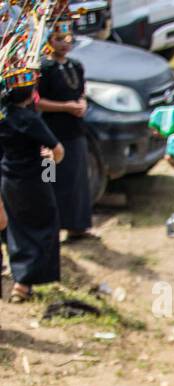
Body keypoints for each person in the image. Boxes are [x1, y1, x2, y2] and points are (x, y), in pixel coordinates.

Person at [0, 74, 64, 302]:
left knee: (17, 227)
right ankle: (27, 281)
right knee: (45, 224)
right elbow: (57, 151)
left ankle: (20, 282)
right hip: (36, 181)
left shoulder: (3, 116)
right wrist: (50, 166)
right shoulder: (30, 119)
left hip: (9, 180)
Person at [37, 19, 93, 240]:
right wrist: (65, 107)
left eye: (67, 39)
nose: (63, 44)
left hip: (75, 129)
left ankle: (78, 224)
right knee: (53, 178)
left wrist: (81, 104)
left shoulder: (75, 66)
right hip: (53, 130)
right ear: (50, 41)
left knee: (78, 178)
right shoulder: (44, 69)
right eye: (58, 39)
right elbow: (38, 101)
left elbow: (81, 91)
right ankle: (55, 225)